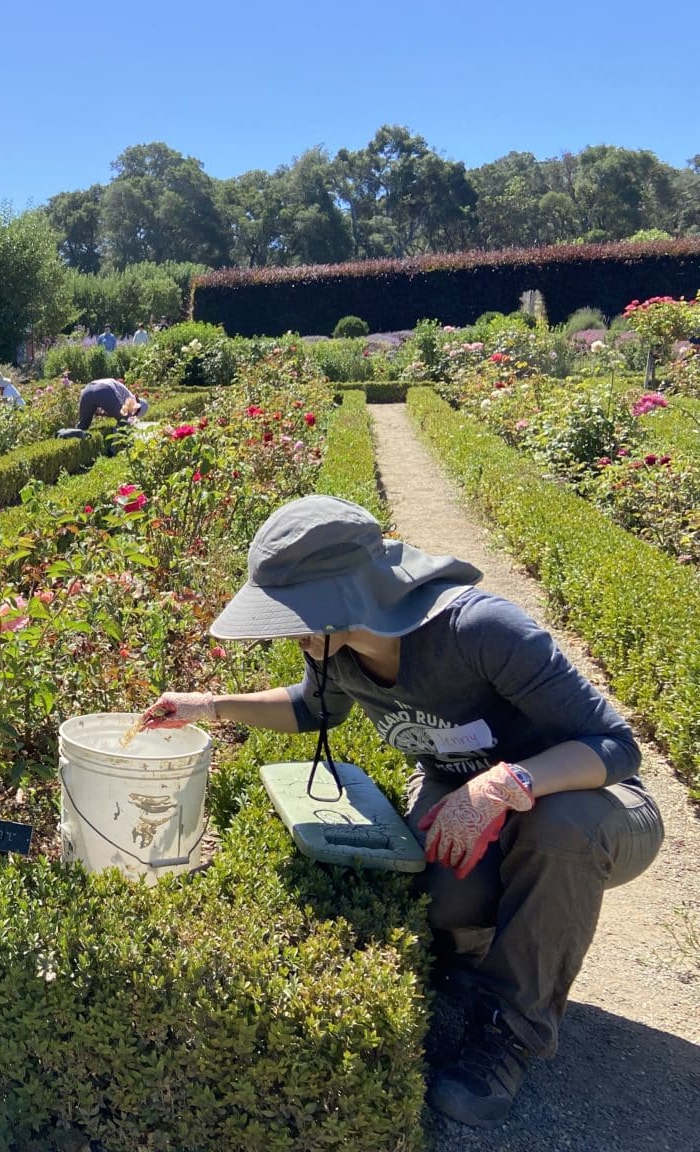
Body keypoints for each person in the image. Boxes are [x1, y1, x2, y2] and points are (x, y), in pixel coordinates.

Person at [143, 495, 663, 1128]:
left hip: (592, 807)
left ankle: (510, 1031)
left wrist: (506, 783)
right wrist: (208, 705)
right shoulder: (332, 646)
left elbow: (616, 746)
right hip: (464, 796)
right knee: (439, 900)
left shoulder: (480, 630)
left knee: (561, 829)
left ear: (348, 595)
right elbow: (314, 708)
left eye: (297, 610)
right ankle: (486, 952)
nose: (287, 628)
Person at [57, 377, 147, 438]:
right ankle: (118, 450)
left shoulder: (125, 395)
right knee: (125, 422)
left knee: (82, 427)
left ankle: (63, 433)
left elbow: (109, 409)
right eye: (135, 413)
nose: (133, 414)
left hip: (87, 390)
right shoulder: (131, 399)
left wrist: (99, 412)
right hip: (104, 389)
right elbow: (124, 418)